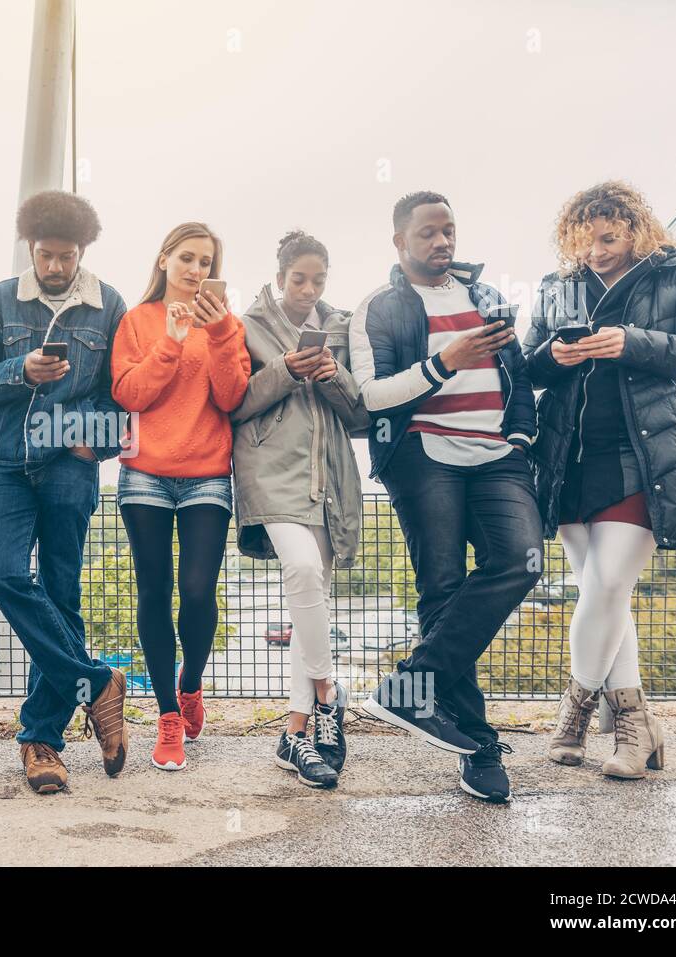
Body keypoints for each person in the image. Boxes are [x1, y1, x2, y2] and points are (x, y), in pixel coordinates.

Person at [524, 181, 676, 778]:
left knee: (609, 585)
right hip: (568, 459)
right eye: (583, 241)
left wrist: (633, 343)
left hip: (645, 456)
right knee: (602, 595)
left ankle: (576, 710)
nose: (595, 252)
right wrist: (550, 360)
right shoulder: (557, 286)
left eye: (608, 238)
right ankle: (638, 730)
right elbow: (526, 364)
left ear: (636, 229)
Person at [349, 191, 542, 803]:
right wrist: (444, 363)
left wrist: (521, 431)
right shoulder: (379, 306)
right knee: (443, 590)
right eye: (428, 232)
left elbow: (516, 370)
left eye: (449, 230)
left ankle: (410, 686)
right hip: (423, 453)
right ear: (400, 241)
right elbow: (371, 395)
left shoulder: (486, 297)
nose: (442, 242)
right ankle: (479, 751)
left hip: (498, 457)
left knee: (521, 561)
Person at [0, 190, 130, 794]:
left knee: (63, 593)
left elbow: (122, 392)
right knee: (4, 574)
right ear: (29, 247)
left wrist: (92, 442)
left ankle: (42, 742)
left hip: (69, 463)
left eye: (65, 256)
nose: (55, 266)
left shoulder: (108, 305)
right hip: (7, 463)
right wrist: (20, 371)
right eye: (45, 254)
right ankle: (96, 683)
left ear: (81, 250)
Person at [230, 230, 368, 787]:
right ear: (280, 274)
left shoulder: (340, 325)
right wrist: (286, 369)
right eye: (299, 279)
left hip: (328, 480)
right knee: (304, 571)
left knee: (308, 606)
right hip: (270, 472)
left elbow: (359, 416)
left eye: (319, 280)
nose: (309, 290)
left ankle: (295, 732)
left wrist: (333, 376)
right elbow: (235, 404)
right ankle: (330, 696)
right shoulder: (247, 325)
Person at [110, 222, 249, 771]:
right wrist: (170, 339)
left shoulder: (227, 326)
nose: (195, 270)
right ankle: (168, 715)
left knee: (196, 591)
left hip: (208, 473)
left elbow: (232, 395)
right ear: (165, 259)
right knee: (154, 590)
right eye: (186, 258)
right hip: (145, 473)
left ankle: (191, 683)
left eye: (205, 262)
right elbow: (131, 392)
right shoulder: (137, 321)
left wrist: (215, 336)